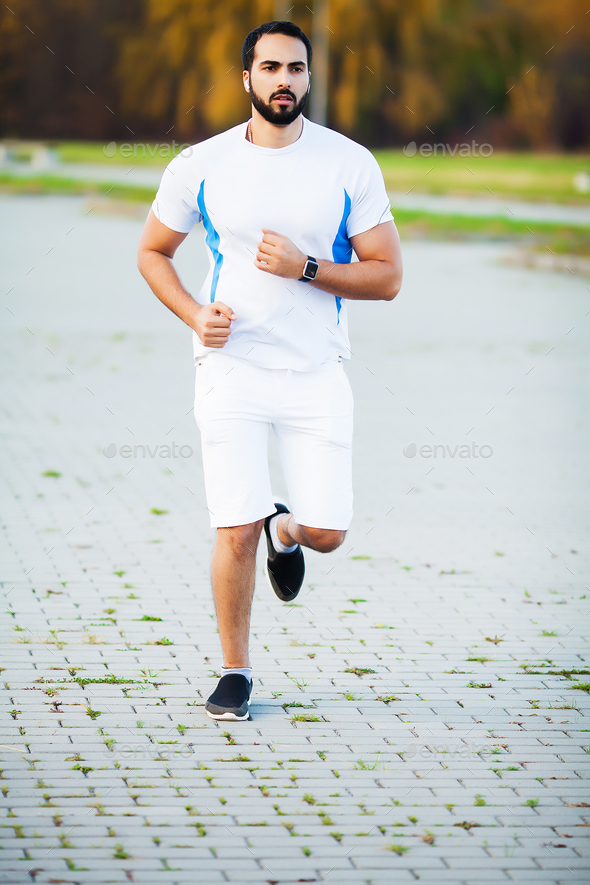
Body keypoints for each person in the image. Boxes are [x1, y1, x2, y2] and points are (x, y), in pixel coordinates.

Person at [137, 20, 403, 721]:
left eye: (297, 68)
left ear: (308, 79)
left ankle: (286, 529)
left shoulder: (350, 164)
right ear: (247, 78)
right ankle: (235, 671)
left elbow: (388, 277)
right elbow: (153, 252)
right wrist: (196, 315)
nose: (285, 80)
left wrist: (306, 268)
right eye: (271, 67)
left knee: (327, 532)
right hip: (231, 368)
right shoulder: (200, 163)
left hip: (317, 372)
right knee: (233, 525)